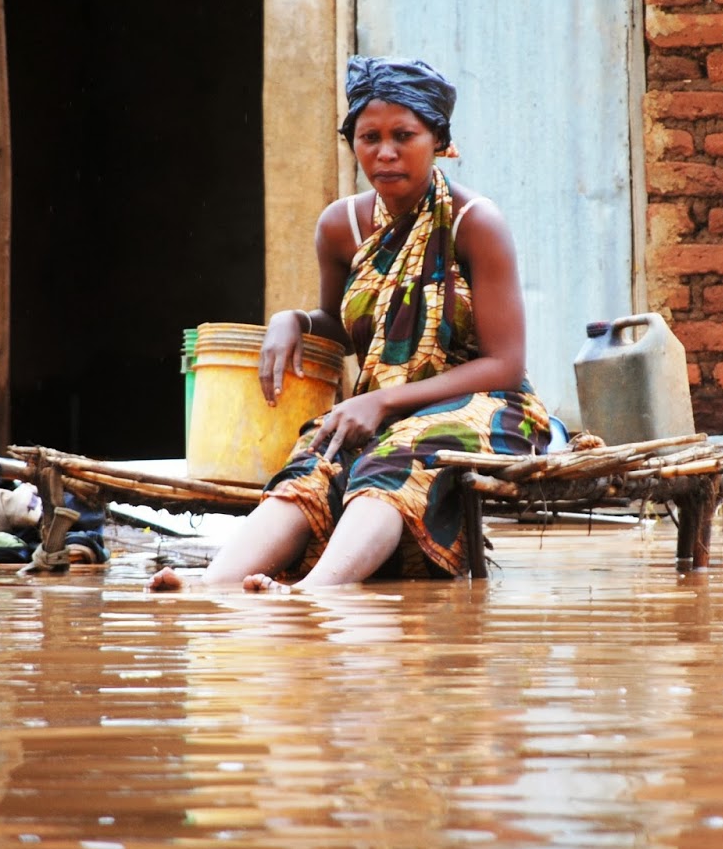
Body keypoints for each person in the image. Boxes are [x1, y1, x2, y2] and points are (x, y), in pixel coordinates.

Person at [152, 56, 551, 592]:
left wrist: (383, 402)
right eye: (369, 137)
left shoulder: (475, 222)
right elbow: (343, 325)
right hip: (382, 405)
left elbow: (505, 365)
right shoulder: (341, 225)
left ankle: (314, 592)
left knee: (395, 455)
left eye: (403, 135)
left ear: (439, 141)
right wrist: (294, 320)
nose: (385, 153)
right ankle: (214, 585)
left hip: (489, 406)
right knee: (314, 460)